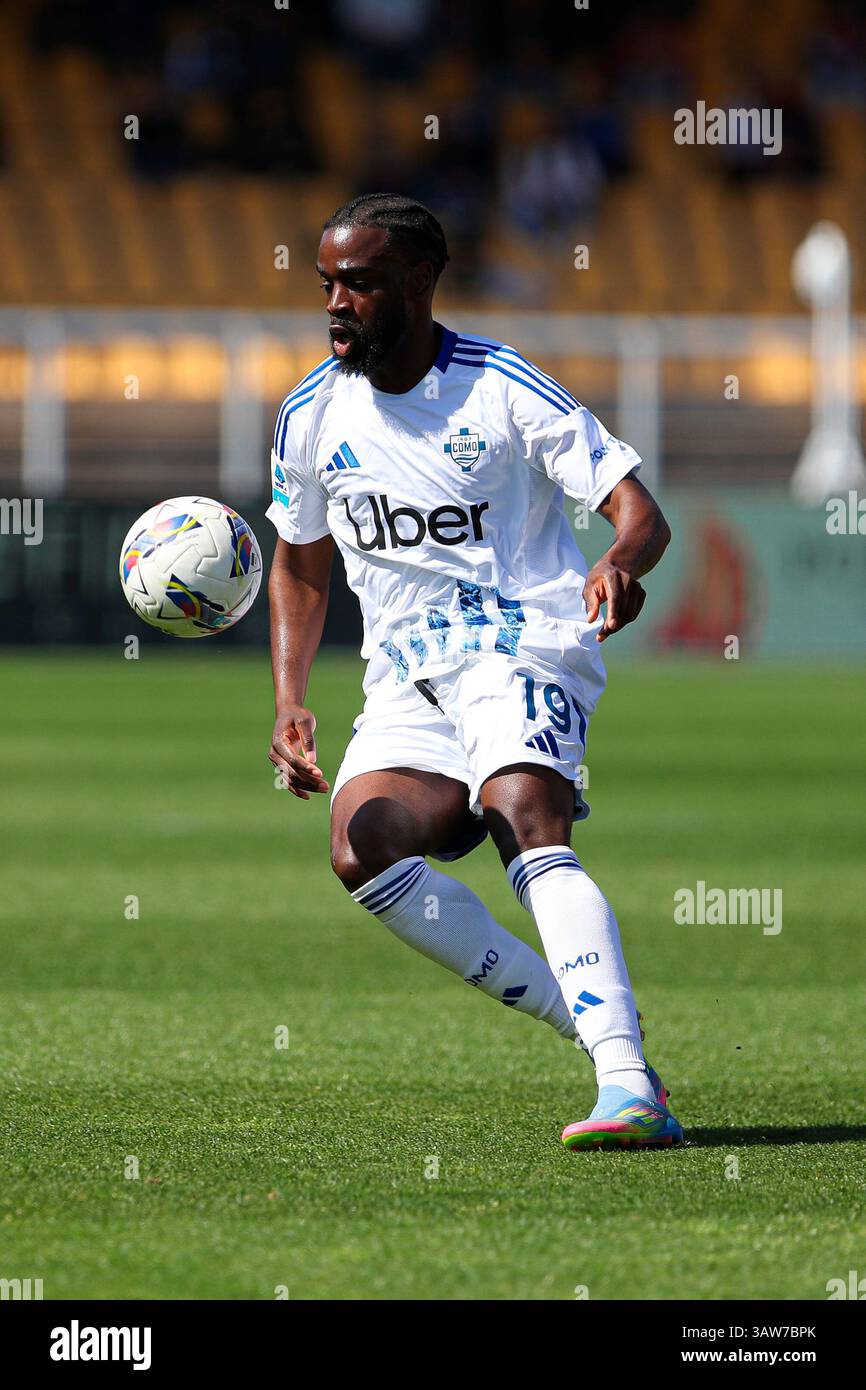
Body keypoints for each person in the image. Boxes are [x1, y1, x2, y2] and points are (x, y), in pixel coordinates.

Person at [266, 192, 682, 1150]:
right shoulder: (308, 416)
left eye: (360, 283)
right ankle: (586, 1020)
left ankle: (627, 1083)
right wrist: (290, 700)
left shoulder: (500, 386)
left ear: (418, 280)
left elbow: (638, 511)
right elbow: (298, 565)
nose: (336, 302)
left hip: (522, 641)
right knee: (362, 844)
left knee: (521, 812)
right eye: (327, 283)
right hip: (405, 677)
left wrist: (619, 563)